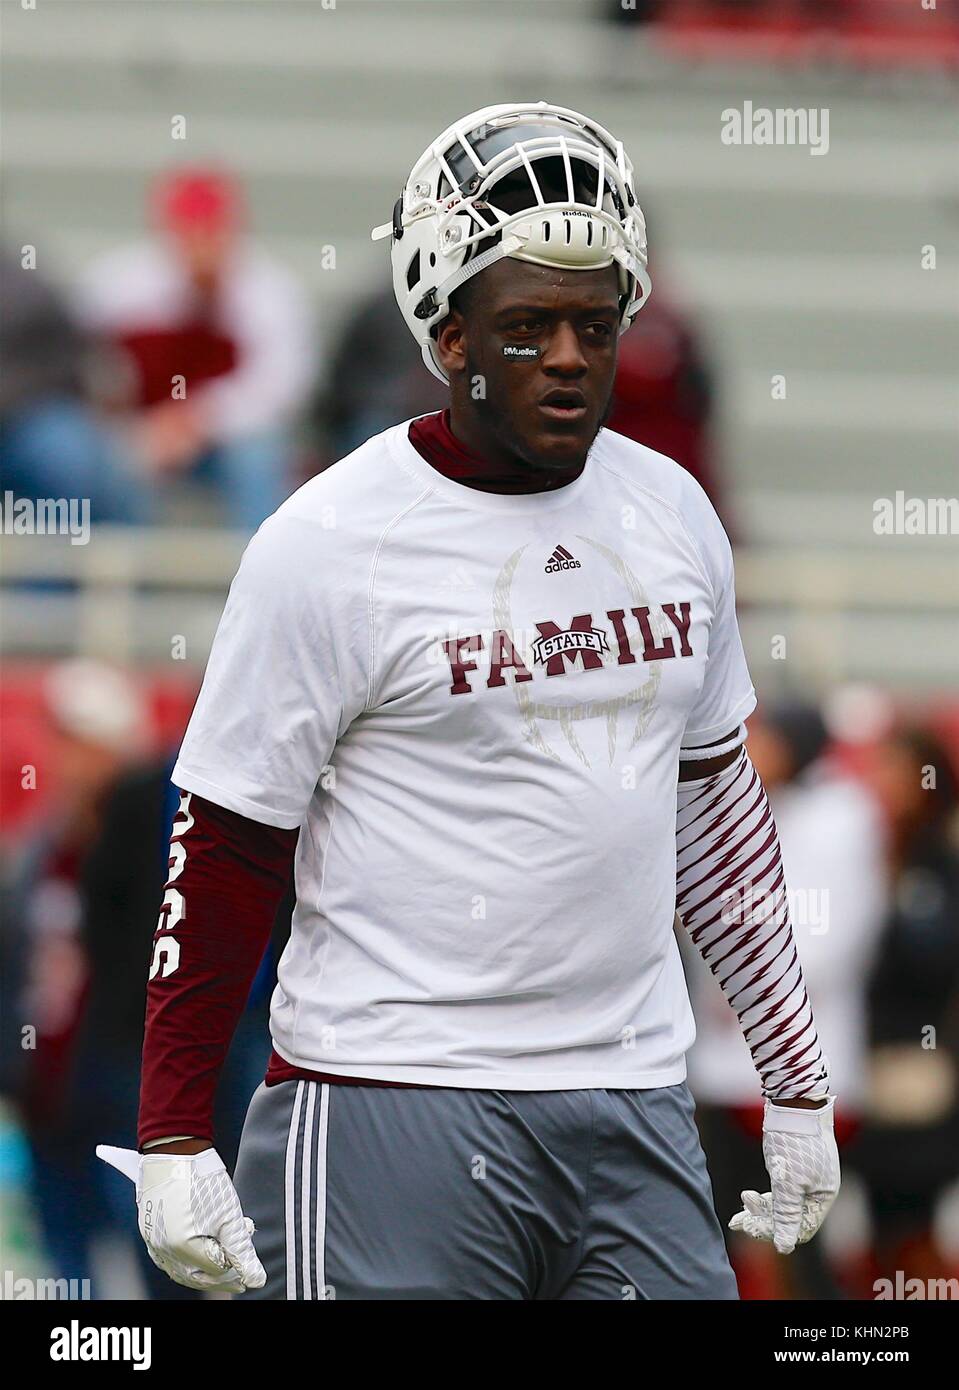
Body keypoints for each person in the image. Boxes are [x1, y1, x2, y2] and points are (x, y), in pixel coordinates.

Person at [100, 101, 839, 1301]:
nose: (565, 356)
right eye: (526, 325)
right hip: (391, 1100)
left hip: (633, 1101)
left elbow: (712, 817)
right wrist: (176, 1132)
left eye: (593, 325)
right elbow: (228, 843)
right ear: (446, 337)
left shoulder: (673, 510)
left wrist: (793, 1079)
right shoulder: (327, 541)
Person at [74, 167, 316, 531]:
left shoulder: (270, 293)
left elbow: (282, 388)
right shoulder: (117, 287)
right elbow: (84, 369)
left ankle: (258, 568)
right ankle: (119, 579)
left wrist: (198, 421)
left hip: (227, 438)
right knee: (99, 459)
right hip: (138, 432)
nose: (200, 244)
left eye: (211, 231)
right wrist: (134, 427)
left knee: (256, 459)